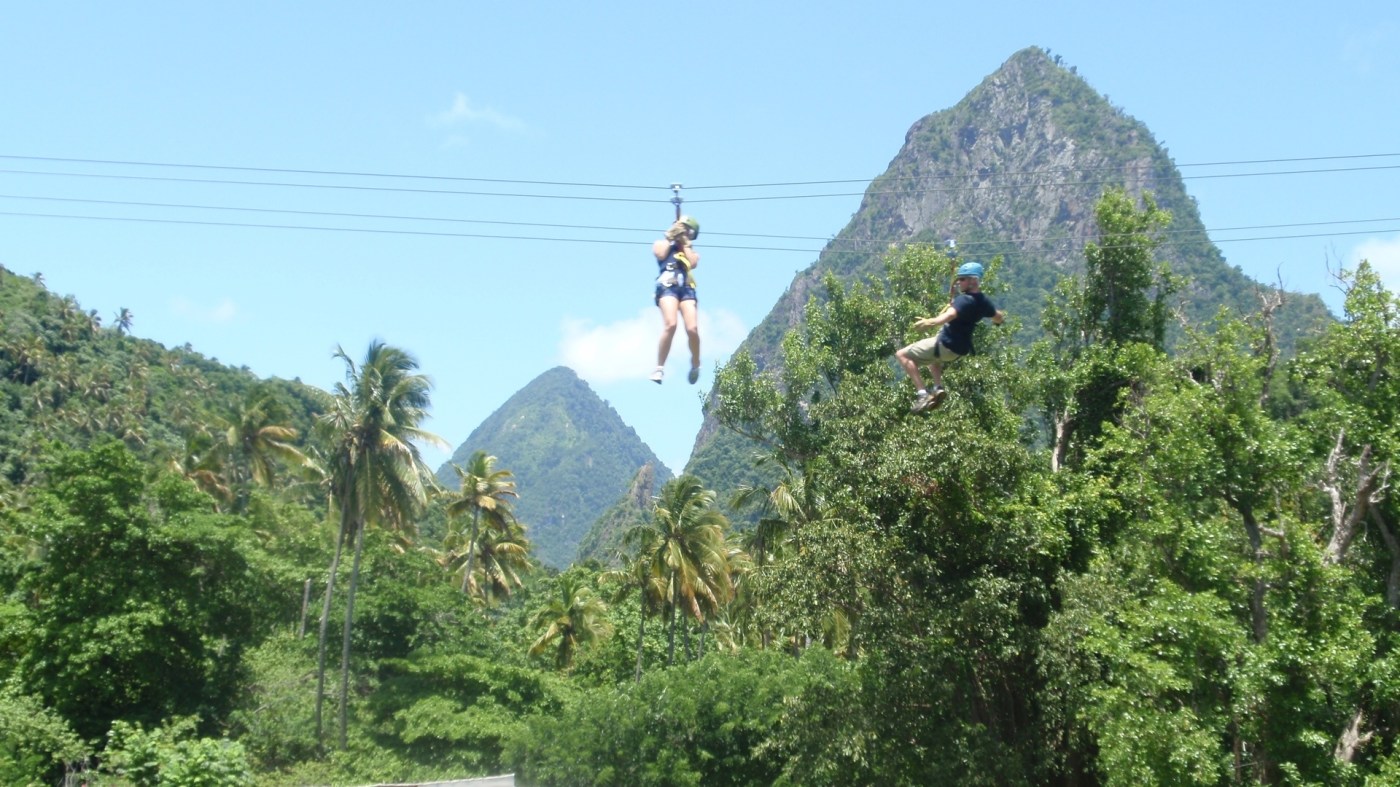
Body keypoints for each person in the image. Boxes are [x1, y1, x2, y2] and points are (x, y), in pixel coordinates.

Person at [895, 261, 1004, 412]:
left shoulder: (964, 300)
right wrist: (997, 323)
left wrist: (930, 322)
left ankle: (922, 394)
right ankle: (938, 387)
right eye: (958, 279)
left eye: (963, 279)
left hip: (945, 346)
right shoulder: (983, 302)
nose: (959, 282)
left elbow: (948, 316)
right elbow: (998, 316)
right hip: (958, 352)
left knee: (902, 355)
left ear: (974, 280)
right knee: (934, 356)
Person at [650, 215, 702, 384]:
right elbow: (660, 253)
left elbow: (692, 262)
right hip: (667, 285)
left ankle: (695, 364)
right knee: (671, 324)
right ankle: (659, 368)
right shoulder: (662, 244)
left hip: (686, 288)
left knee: (692, 328)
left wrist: (685, 243)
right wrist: (671, 236)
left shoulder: (691, 252)